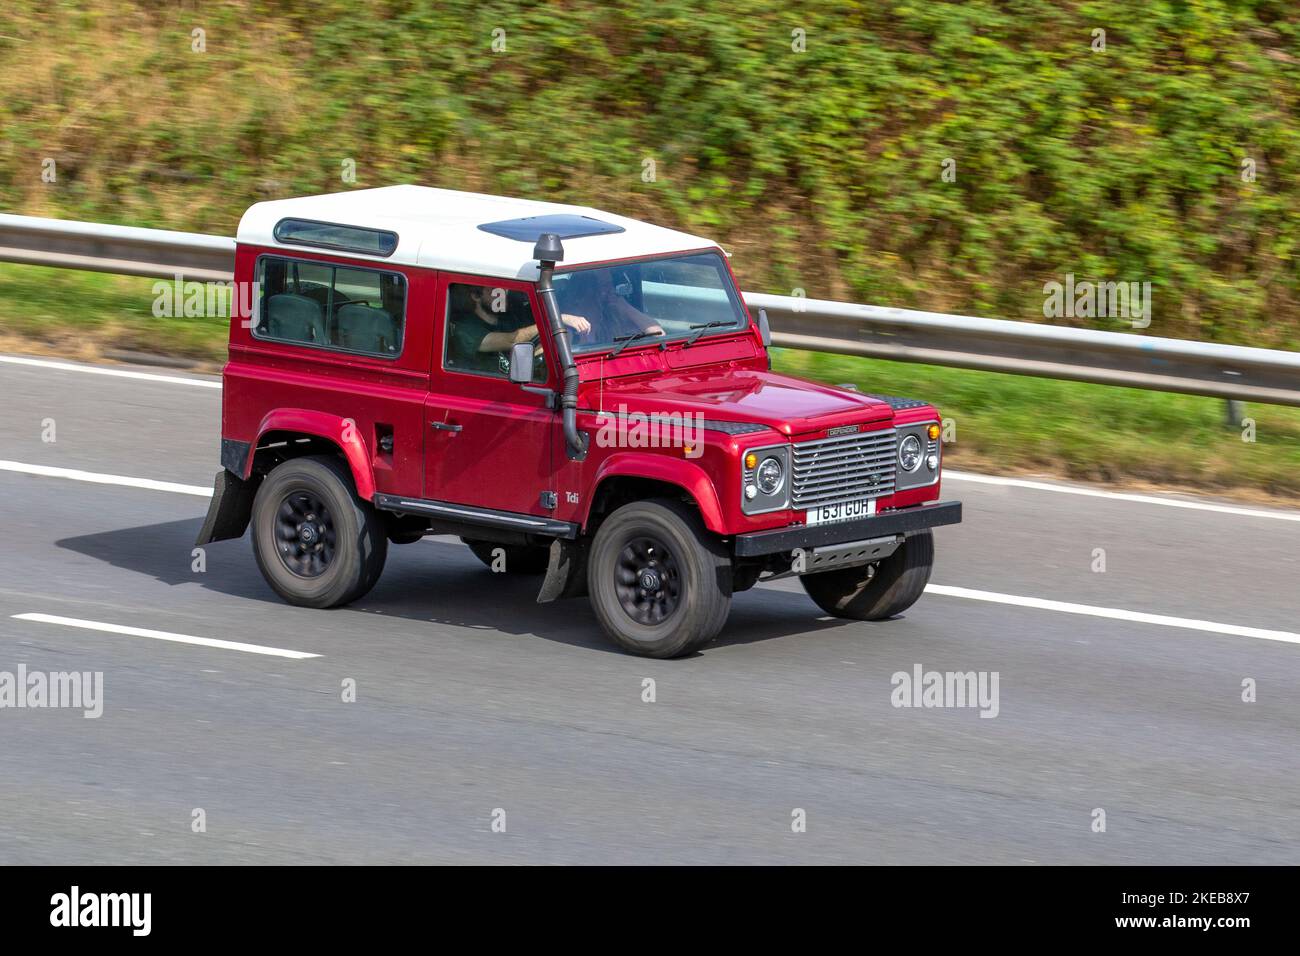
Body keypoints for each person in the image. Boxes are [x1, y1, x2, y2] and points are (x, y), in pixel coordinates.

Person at [450, 285, 590, 375]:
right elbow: (512, 340)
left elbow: (532, 347)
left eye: (503, 288)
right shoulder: (465, 330)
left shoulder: (513, 315)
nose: (502, 293)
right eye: (494, 290)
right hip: (490, 393)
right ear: (476, 296)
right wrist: (558, 319)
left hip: (525, 381)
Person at [558, 269, 664, 348]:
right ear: (587, 290)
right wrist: (563, 318)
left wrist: (626, 307)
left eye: (611, 285)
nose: (611, 290)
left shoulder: (613, 316)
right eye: (605, 285)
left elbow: (659, 335)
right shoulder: (569, 326)